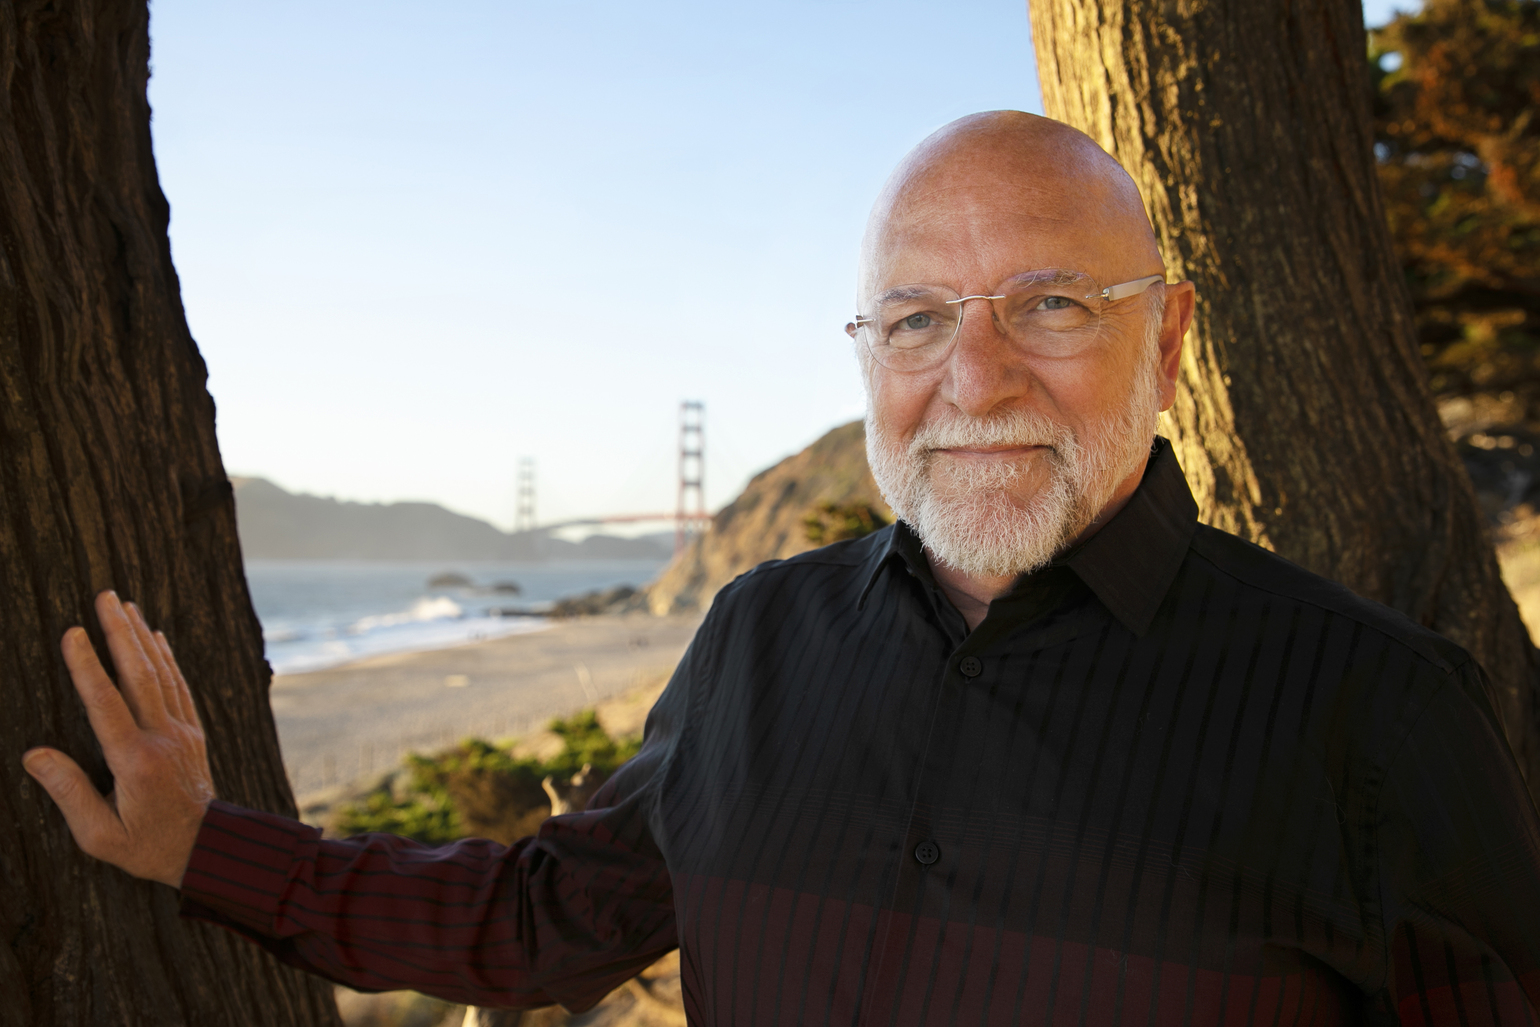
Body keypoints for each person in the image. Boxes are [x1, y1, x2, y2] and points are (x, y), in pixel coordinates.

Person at [21, 111, 1540, 1026]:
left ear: (1173, 338)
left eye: (1054, 305)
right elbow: (536, 920)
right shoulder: (757, 639)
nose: (977, 376)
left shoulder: (1374, 711)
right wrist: (198, 845)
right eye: (916, 320)